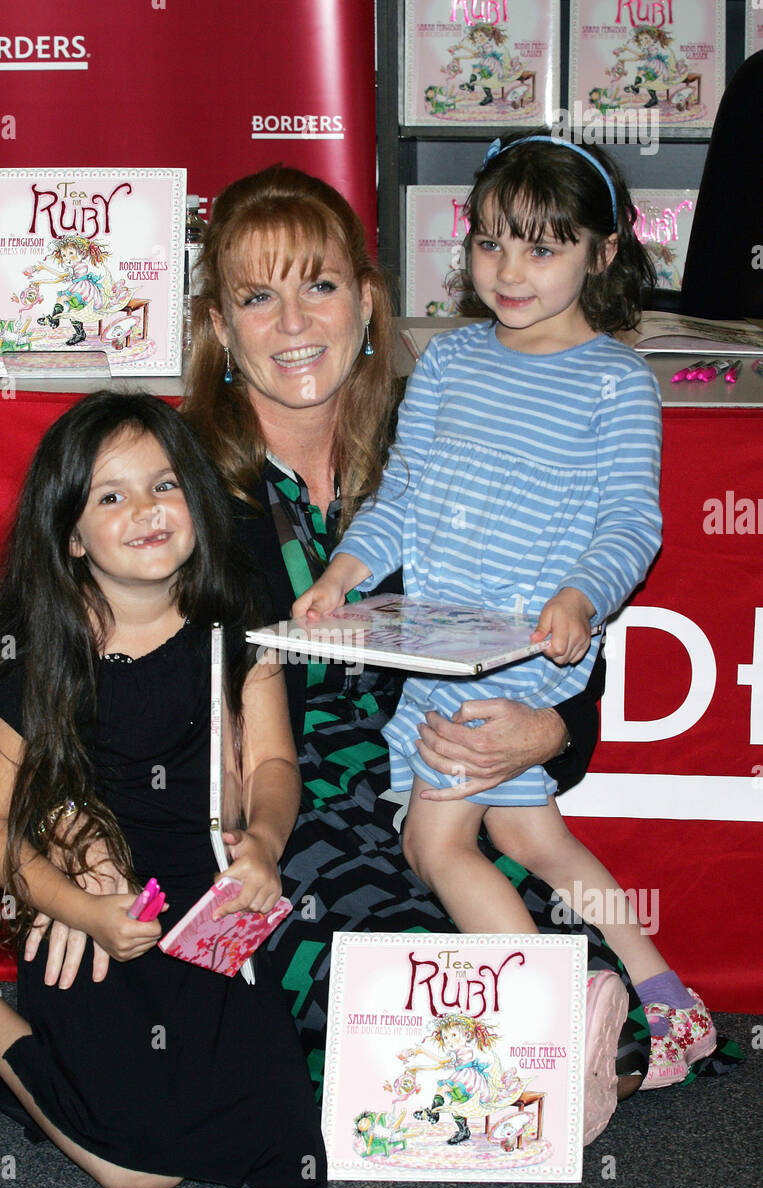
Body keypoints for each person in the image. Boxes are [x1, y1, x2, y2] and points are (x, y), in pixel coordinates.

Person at [179, 163, 656, 1111]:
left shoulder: (444, 423)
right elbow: (96, 673)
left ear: (365, 303)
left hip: (428, 766)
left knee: (622, 1029)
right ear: (221, 327)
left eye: (319, 286)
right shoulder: (175, 480)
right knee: (400, 994)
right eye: (257, 297)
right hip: (281, 798)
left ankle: (531, 1072)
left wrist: (544, 733)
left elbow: (559, 623)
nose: (292, 323)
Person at [293, 135, 716, 1088]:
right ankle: (668, 1005)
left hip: (520, 652)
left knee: (433, 840)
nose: (508, 271)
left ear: (602, 253)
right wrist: (344, 572)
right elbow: (401, 496)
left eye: (541, 247)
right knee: (530, 836)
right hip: (435, 643)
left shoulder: (614, 381)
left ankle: (541, 1033)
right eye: (489, 243)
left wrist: (580, 597)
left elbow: (630, 523)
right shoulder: (447, 363)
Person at [0, 391, 325, 1188]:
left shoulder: (236, 624)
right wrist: (76, 906)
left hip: (205, 905)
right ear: (70, 535)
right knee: (133, 1171)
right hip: (86, 904)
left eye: (164, 485)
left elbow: (272, 763)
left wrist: (263, 842)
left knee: (280, 1146)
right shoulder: (41, 654)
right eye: (110, 497)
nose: (146, 511)